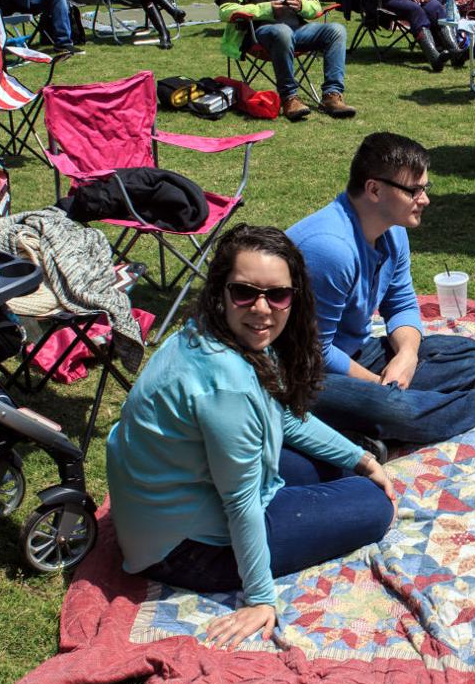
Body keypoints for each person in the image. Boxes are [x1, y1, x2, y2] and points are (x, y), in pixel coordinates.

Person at [106, 225, 396, 650]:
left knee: (341, 470)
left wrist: (360, 458)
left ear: (295, 298)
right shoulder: (228, 383)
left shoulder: (207, 332)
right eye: (245, 292)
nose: (262, 308)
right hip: (182, 549)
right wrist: (259, 599)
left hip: (166, 509)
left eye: (277, 295)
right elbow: (239, 500)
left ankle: (349, 468)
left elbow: (282, 416)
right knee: (372, 505)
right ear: (221, 291)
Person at [288, 133, 475, 449]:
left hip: (354, 353)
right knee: (394, 408)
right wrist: (378, 387)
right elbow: (313, 351)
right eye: (414, 191)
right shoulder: (329, 249)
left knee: (467, 354)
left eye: (424, 189)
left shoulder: (392, 231)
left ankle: (357, 428)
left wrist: (407, 355)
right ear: (374, 189)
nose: (425, 199)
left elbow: (400, 301)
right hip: (297, 374)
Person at [219, 0, 355, 122]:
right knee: (282, 31)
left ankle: (332, 95)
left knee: (337, 30)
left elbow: (315, 5)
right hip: (258, 35)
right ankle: (289, 98)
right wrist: (266, 9)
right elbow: (225, 10)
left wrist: (301, 5)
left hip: (297, 32)